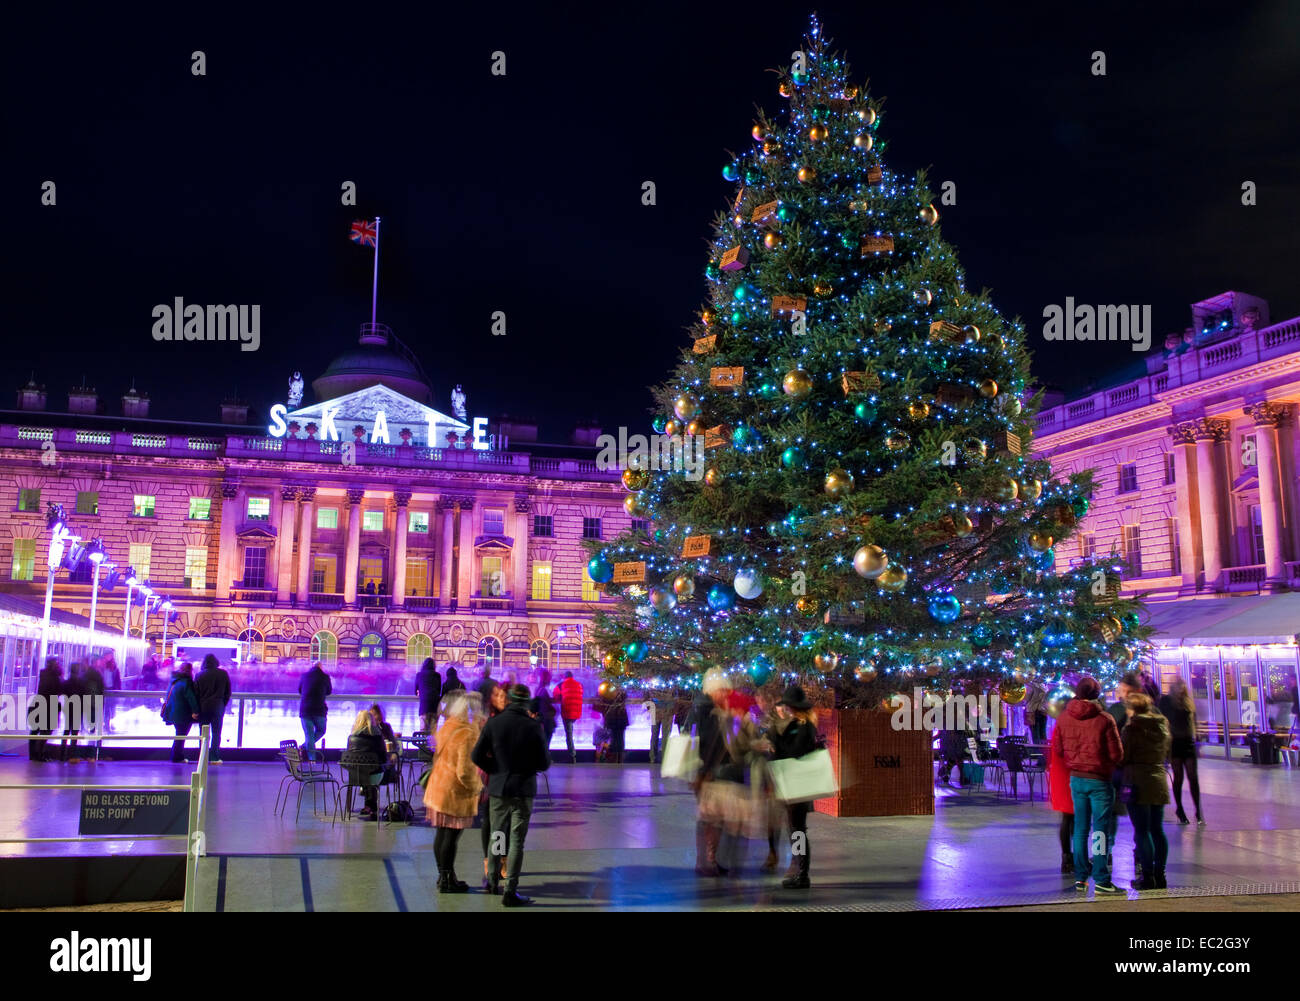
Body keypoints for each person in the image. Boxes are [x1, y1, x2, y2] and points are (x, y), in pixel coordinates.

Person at [471, 683, 551, 906]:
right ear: (525, 703)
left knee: (497, 834)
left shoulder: (494, 723)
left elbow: (476, 755)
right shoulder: (533, 726)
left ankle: (492, 880)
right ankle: (511, 889)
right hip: (523, 789)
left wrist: (494, 769)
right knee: (516, 841)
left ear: (510, 700)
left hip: (499, 788)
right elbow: (544, 763)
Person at [1053, 675, 1123, 892]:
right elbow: (1117, 754)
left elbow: (1057, 749)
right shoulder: (1105, 719)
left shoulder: (1064, 718)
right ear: (1097, 694)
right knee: (1100, 829)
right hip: (1099, 780)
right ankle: (1101, 877)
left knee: (1081, 828)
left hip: (1076, 779)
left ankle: (1080, 876)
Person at [425, 691, 483, 892]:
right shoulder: (466, 733)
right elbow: (464, 770)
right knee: (451, 836)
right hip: (453, 792)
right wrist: (477, 787)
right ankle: (448, 880)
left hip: (438, 787)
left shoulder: (446, 727)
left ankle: (443, 876)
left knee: (441, 834)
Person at [771, 686, 819, 889]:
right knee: (796, 829)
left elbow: (794, 752)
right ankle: (801, 871)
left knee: (798, 830)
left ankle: (802, 873)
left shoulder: (803, 726)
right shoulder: (800, 724)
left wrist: (776, 741)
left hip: (797, 786)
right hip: (796, 784)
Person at [1122, 692, 1172, 890]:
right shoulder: (1162, 726)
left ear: (1132, 709)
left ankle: (1148, 876)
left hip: (1137, 781)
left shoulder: (1132, 728)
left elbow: (1124, 755)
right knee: (1157, 830)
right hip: (1158, 779)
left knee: (1142, 832)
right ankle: (1161, 875)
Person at [476, 682, 508, 890]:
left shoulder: (513, 720)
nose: (501, 699)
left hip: (507, 777)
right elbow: (478, 751)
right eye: (497, 695)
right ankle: (490, 860)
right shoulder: (486, 721)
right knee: (490, 820)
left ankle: (501, 858)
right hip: (491, 777)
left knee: (503, 824)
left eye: (504, 695)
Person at [1159, 678, 1203, 826]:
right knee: (1178, 776)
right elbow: (1163, 720)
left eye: (1183, 688)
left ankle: (1198, 809)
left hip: (1187, 741)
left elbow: (1192, 720)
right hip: (1175, 741)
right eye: (1179, 688)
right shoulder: (1166, 702)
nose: (1181, 691)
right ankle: (1180, 808)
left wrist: (1196, 736)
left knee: (1193, 776)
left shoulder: (1188, 702)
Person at [1046, 701, 1076, 875]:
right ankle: (1097, 858)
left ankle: (1067, 858)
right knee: (1089, 822)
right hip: (1086, 774)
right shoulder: (1098, 718)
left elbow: (1056, 749)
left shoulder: (1061, 722)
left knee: (1067, 818)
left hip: (1063, 774)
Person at [345, 710, 389, 820]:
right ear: (371, 721)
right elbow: (384, 758)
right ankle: (372, 808)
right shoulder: (378, 737)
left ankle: (368, 806)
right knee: (373, 771)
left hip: (355, 776)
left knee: (364, 770)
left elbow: (349, 758)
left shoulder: (351, 738)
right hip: (374, 776)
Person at [195, 654, 232, 763]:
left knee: (203, 733)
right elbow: (228, 692)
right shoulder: (223, 674)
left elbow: (196, 693)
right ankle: (214, 757)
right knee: (216, 733)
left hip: (203, 707)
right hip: (218, 706)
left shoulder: (199, 675)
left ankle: (203, 757)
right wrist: (222, 703)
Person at [163, 662, 200, 763]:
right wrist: (195, 711)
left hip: (173, 712)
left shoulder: (174, 680)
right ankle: (177, 757)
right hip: (183, 714)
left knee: (179, 734)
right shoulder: (187, 682)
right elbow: (191, 697)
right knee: (181, 735)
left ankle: (176, 756)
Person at [28, 658, 62, 763]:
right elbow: (58, 691)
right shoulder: (55, 677)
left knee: (34, 731)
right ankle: (40, 754)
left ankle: (33, 754)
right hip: (49, 706)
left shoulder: (43, 674)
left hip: (37, 704)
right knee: (46, 731)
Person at [297, 661, 332, 762]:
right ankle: (304, 748)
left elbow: (299, 690)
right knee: (321, 731)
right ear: (321, 667)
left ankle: (312, 759)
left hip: (305, 710)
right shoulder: (325, 677)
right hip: (319, 710)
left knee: (309, 735)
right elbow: (329, 691)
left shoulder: (304, 676)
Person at [554, 671, 584, 764]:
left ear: (564, 677)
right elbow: (581, 694)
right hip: (577, 712)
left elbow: (555, 695)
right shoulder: (579, 684)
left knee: (569, 734)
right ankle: (572, 755)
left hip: (567, 711)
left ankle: (572, 756)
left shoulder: (561, 684)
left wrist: (560, 699)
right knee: (570, 732)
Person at [60, 663, 87, 762]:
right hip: (77, 709)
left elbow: (62, 694)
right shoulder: (82, 683)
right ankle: (72, 755)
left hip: (68, 709)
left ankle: (62, 755)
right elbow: (84, 696)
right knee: (74, 733)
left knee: (66, 731)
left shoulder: (66, 683)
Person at [531, 669, 556, 759]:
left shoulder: (538, 689)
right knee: (546, 739)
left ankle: (541, 758)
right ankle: (544, 758)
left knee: (543, 739)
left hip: (541, 718)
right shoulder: (546, 690)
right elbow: (550, 704)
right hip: (547, 719)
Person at [648, 687, 676, 765]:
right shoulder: (671, 683)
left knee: (654, 735)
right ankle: (664, 758)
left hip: (655, 711)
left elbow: (650, 696)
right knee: (665, 735)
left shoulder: (654, 684)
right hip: (667, 710)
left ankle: (652, 758)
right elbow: (674, 698)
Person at [415, 657, 442, 733]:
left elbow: (415, 690)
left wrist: (420, 692)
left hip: (424, 706)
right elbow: (439, 690)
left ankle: (423, 744)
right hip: (435, 706)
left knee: (423, 730)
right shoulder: (437, 675)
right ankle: (432, 745)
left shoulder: (419, 675)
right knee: (433, 731)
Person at [603, 689, 629, 764]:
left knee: (615, 738)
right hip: (620, 718)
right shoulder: (622, 690)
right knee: (619, 738)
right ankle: (619, 758)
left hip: (614, 718)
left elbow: (606, 699)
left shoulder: (611, 689)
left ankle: (615, 757)